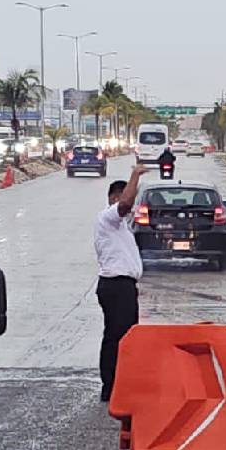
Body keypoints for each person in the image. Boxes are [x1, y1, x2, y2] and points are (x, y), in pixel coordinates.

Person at [95, 163, 149, 402]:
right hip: (116, 285)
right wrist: (135, 175)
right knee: (118, 337)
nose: (130, 203)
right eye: (126, 195)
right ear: (114, 198)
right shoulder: (108, 217)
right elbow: (125, 203)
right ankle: (111, 385)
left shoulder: (121, 226)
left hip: (122, 286)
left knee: (122, 336)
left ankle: (118, 382)